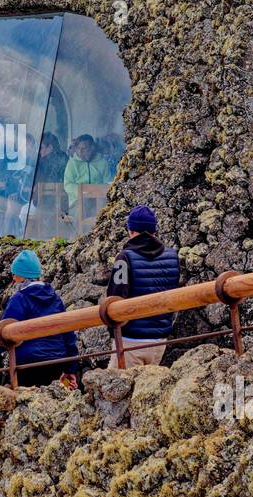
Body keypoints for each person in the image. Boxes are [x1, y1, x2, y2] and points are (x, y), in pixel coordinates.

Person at [0, 250, 77, 388]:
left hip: (29, 364)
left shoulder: (20, 299)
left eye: (14, 274)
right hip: (57, 361)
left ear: (22, 277)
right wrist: (71, 369)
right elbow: (68, 334)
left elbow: (4, 335)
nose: (13, 279)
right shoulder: (55, 298)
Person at [105, 205, 180, 367]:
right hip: (159, 340)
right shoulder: (172, 257)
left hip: (130, 340)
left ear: (131, 230)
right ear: (154, 230)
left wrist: (113, 332)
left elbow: (115, 299)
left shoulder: (124, 258)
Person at [63, 134, 112, 208]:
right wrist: (84, 192)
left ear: (92, 148)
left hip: (99, 201)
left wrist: (97, 193)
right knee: (84, 206)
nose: (80, 152)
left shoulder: (102, 162)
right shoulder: (72, 163)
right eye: (78, 148)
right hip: (77, 202)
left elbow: (108, 183)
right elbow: (68, 185)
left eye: (84, 148)